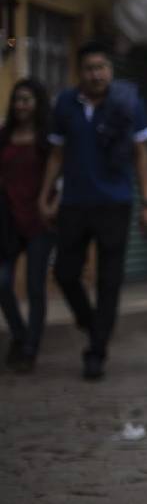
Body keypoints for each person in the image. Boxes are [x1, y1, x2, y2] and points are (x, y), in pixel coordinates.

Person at [37, 40, 147, 381]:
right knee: (64, 273)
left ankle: (96, 352)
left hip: (115, 202)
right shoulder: (65, 104)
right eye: (90, 69)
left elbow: (141, 154)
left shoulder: (128, 103)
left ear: (110, 70)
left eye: (102, 68)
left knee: (109, 279)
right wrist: (46, 195)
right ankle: (92, 324)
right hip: (74, 201)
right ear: (80, 72)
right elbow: (57, 155)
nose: (96, 75)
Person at [0, 79, 54, 373]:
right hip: (7, 222)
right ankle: (19, 335)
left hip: (39, 222)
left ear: (37, 104)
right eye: (17, 100)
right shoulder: (4, 136)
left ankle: (31, 348)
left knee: (35, 287)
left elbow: (59, 173)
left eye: (27, 100)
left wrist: (51, 205)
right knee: (3, 282)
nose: (21, 105)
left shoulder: (47, 140)